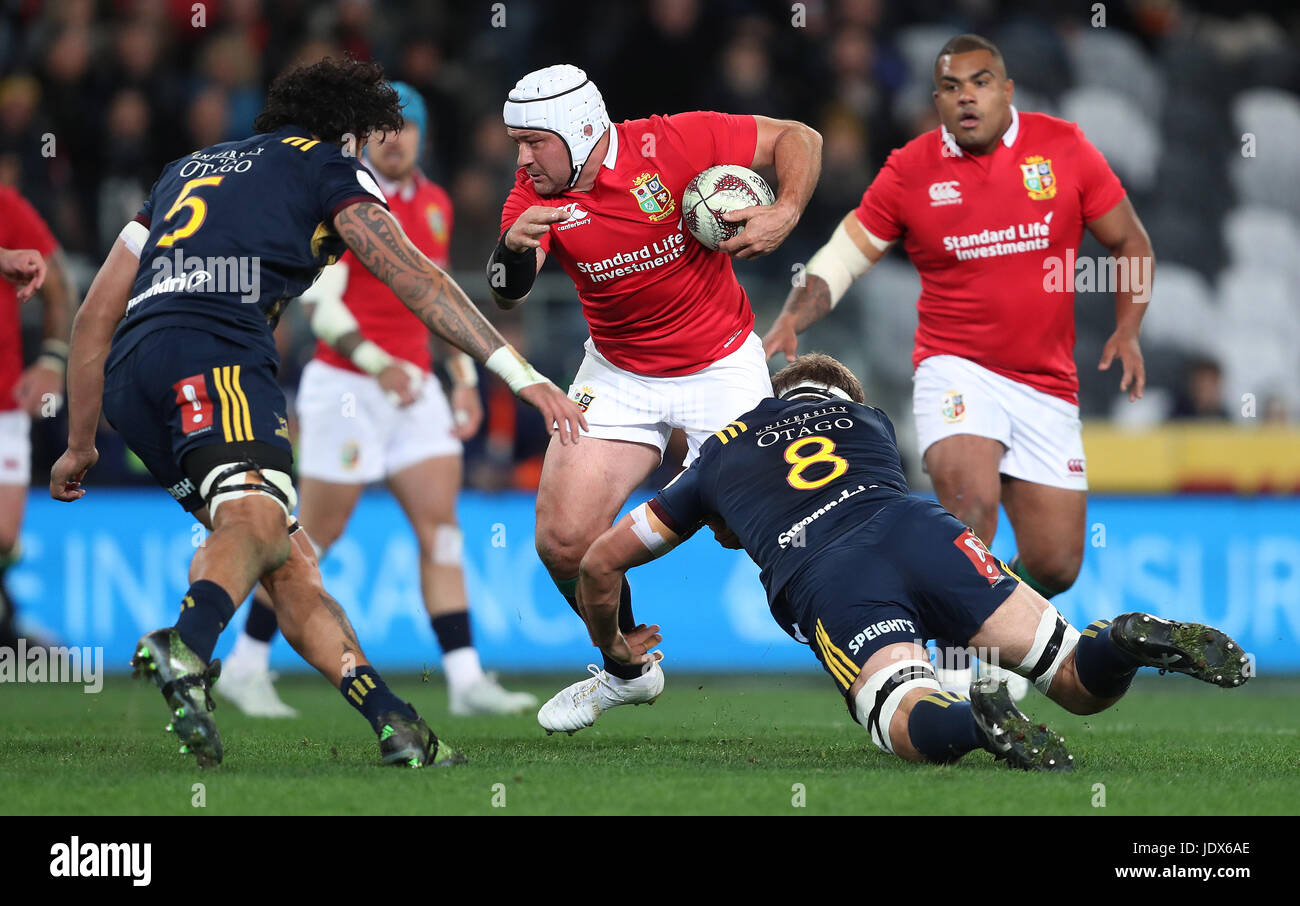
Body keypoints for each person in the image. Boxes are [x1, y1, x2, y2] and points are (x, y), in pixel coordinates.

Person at [49, 58, 585, 769]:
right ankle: (187, 647)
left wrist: (80, 440)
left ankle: (392, 720)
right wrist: (516, 373)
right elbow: (414, 277)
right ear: (353, 132)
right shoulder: (331, 167)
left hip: (133, 376)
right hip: (218, 356)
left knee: (286, 555)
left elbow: (94, 314)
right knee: (258, 521)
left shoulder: (187, 168)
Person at [543, 353, 1249, 769]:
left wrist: (617, 649)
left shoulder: (718, 453)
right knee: (1075, 678)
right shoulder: (870, 423)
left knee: (899, 713)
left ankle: (974, 722)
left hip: (830, 570)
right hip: (922, 530)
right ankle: (1123, 637)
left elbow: (600, 563)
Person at [762, 34, 1155, 694]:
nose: (966, 95)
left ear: (1007, 90)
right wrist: (794, 315)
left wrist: (1129, 328)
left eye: (980, 81)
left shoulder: (1063, 149)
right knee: (970, 504)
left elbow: (1129, 239)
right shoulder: (911, 169)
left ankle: (999, 627)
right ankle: (948, 675)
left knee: (1057, 563)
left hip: (1045, 381)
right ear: (937, 101)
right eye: (951, 86)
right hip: (956, 367)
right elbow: (848, 252)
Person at [487, 64, 821, 726]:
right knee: (560, 542)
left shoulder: (673, 143)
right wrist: (513, 250)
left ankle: (886, 666)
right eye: (516, 142)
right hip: (617, 374)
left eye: (534, 141)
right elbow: (507, 290)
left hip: (722, 367)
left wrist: (785, 210)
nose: (521, 158)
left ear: (580, 131)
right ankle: (625, 669)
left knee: (770, 535)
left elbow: (798, 136)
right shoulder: (531, 196)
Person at [218, 83, 536, 718]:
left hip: (414, 386)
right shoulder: (344, 194)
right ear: (365, 139)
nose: (397, 140)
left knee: (442, 533)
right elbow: (323, 307)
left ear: (422, 136)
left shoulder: (437, 204)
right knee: (313, 538)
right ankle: (244, 667)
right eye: (384, 131)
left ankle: (466, 679)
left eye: (407, 128)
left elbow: (435, 300)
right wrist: (377, 364)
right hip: (348, 387)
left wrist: (465, 383)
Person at [0, 190, 76, 652]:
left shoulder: (5, 206)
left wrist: (52, 359)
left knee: (6, 538)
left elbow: (59, 280)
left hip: (4, 398)